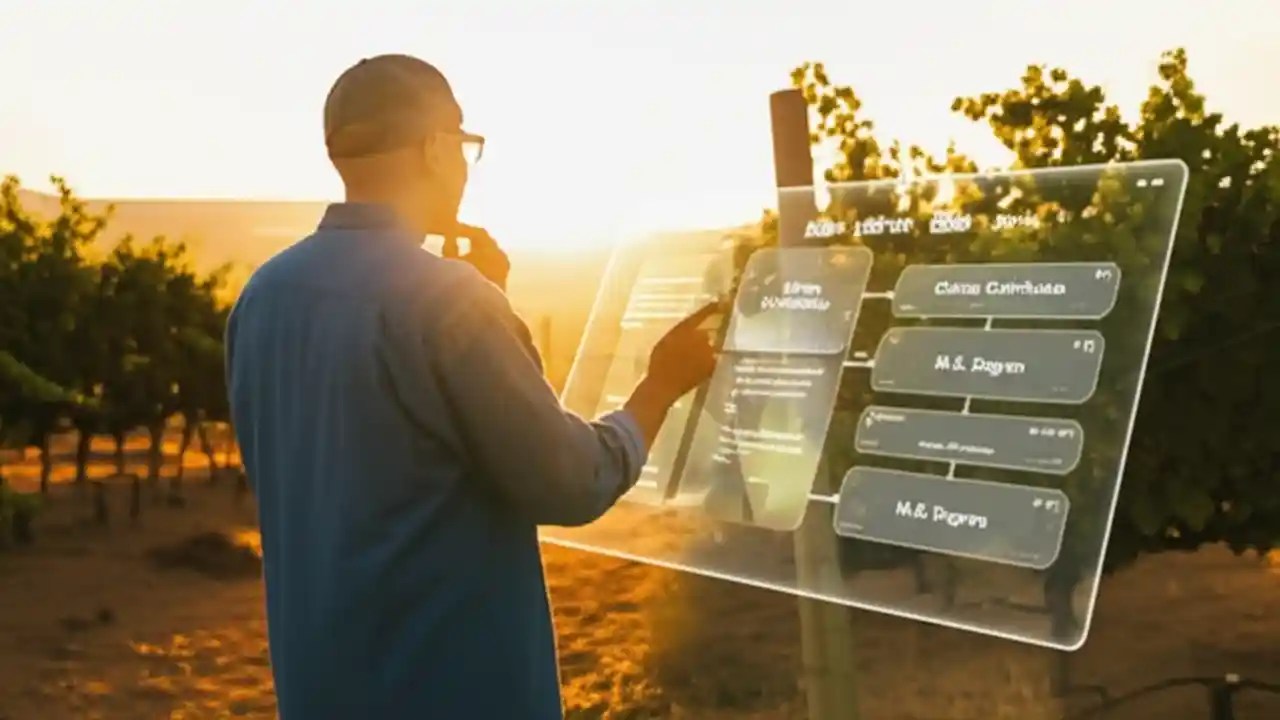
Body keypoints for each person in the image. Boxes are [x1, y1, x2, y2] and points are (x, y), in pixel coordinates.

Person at [224, 54, 719, 719]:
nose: (465, 166)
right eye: (464, 145)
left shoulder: (264, 297)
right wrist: (661, 385)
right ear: (435, 148)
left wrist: (490, 306)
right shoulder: (443, 301)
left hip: (323, 689)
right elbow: (571, 480)